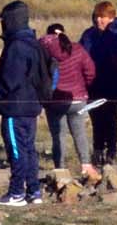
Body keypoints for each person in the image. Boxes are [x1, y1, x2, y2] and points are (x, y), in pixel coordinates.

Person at [0, 0, 52, 207]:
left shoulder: (16, 46)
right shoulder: (34, 43)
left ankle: (16, 193)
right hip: (31, 105)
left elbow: (10, 79)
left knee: (17, 149)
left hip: (15, 106)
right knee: (29, 148)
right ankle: (34, 191)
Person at [40, 22, 100, 182]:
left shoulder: (42, 50)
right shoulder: (77, 49)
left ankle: (60, 169)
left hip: (54, 100)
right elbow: (90, 71)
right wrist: (84, 87)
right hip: (77, 99)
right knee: (80, 133)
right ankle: (86, 166)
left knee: (58, 135)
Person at [80, 0, 117, 169]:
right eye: (96, 17)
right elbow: (81, 54)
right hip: (93, 84)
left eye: (103, 17)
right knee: (96, 118)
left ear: (112, 18)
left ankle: (112, 151)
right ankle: (98, 150)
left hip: (113, 82)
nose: (99, 20)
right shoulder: (88, 35)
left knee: (110, 117)